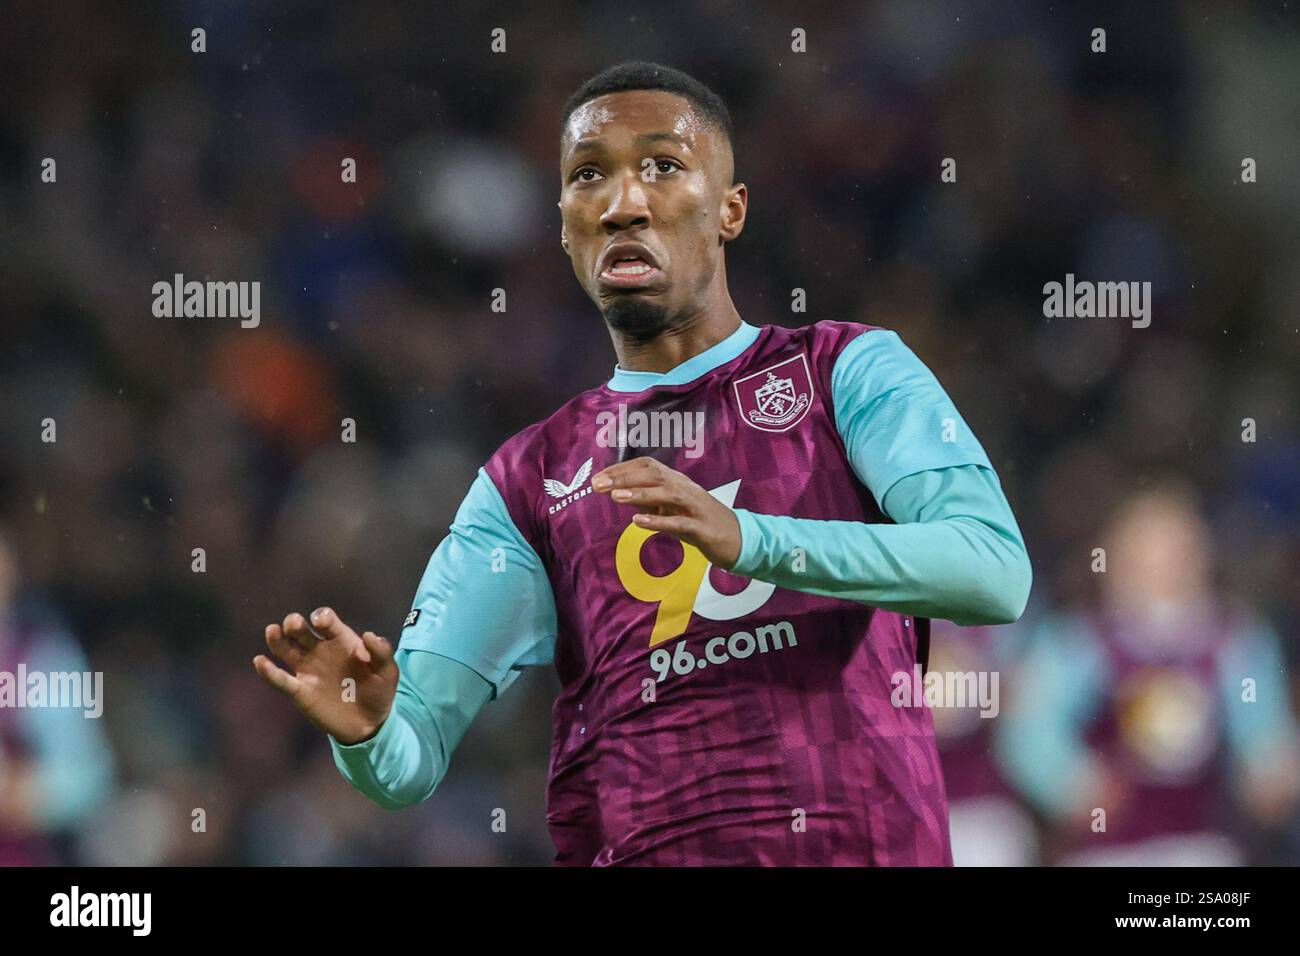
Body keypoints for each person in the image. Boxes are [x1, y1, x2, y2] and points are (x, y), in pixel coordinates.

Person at [254, 61, 1032, 865]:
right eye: (589, 175)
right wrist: (371, 731)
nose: (624, 202)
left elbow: (991, 572)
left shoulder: (843, 372)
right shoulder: (527, 481)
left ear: (730, 210)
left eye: (662, 165)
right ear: (565, 226)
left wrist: (751, 540)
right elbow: (409, 762)